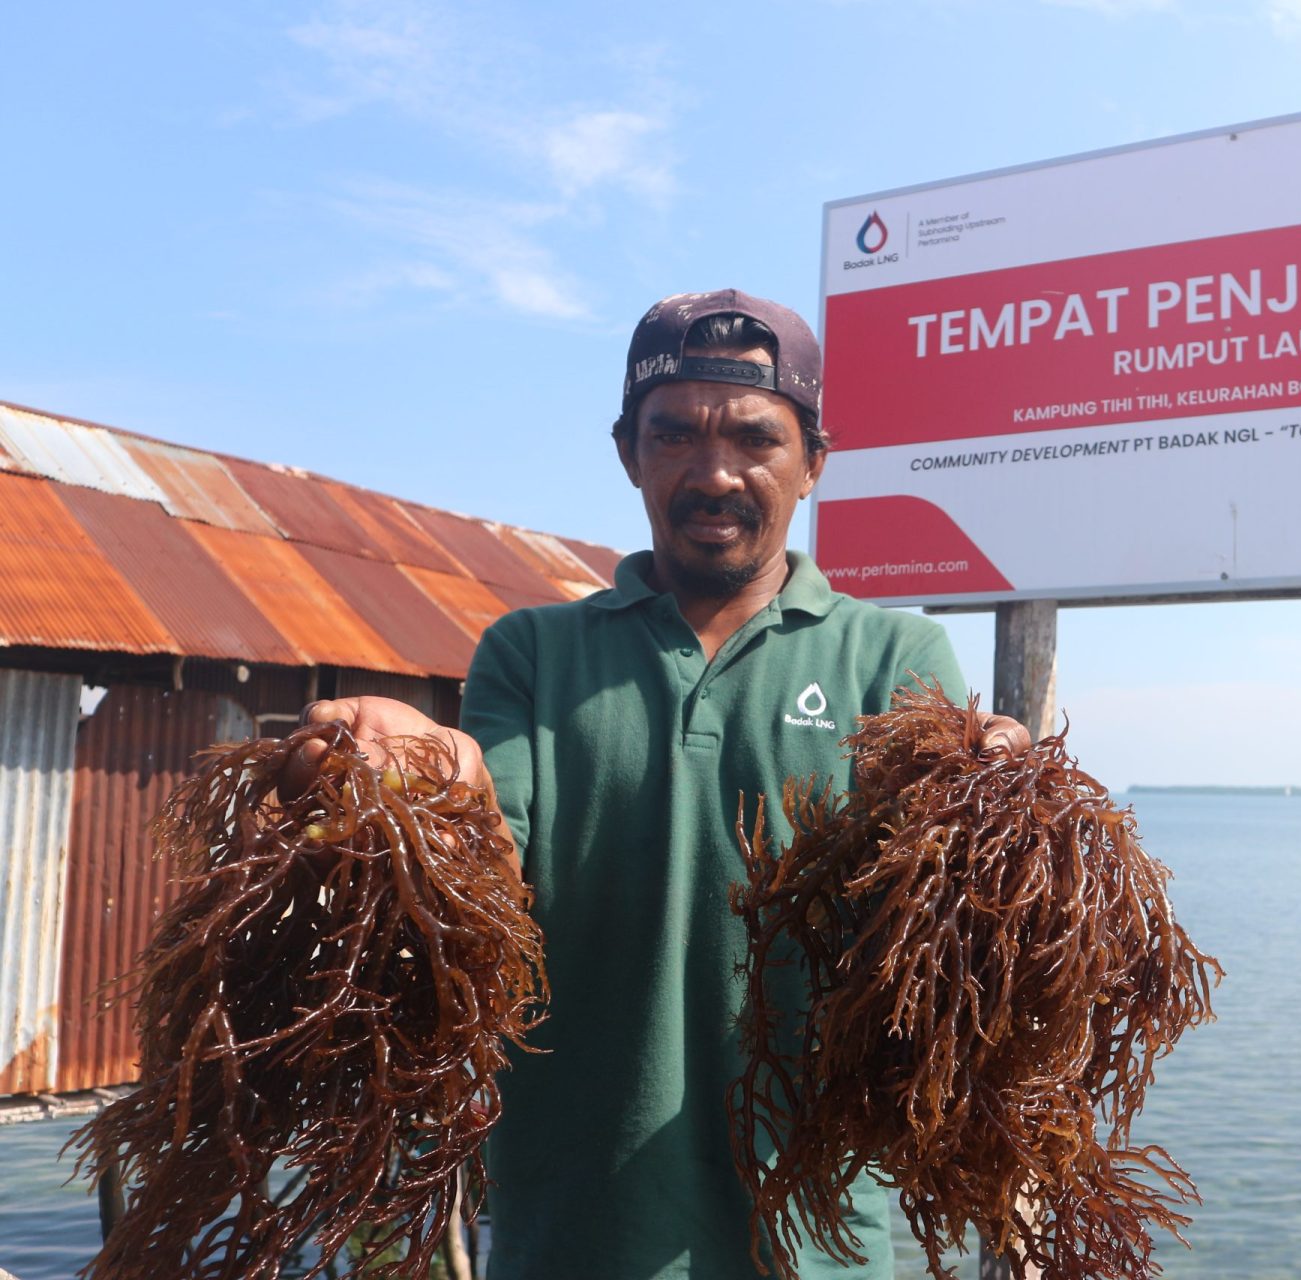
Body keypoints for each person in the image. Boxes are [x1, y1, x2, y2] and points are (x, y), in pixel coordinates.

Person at [286, 289, 1028, 1279]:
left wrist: (1004, 834)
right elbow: (488, 878)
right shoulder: (534, 652)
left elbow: (921, 947)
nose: (713, 472)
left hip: (814, 1242)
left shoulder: (894, 654)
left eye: (755, 439)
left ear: (813, 462)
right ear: (629, 451)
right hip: (576, 1235)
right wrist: (431, 784)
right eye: (673, 434)